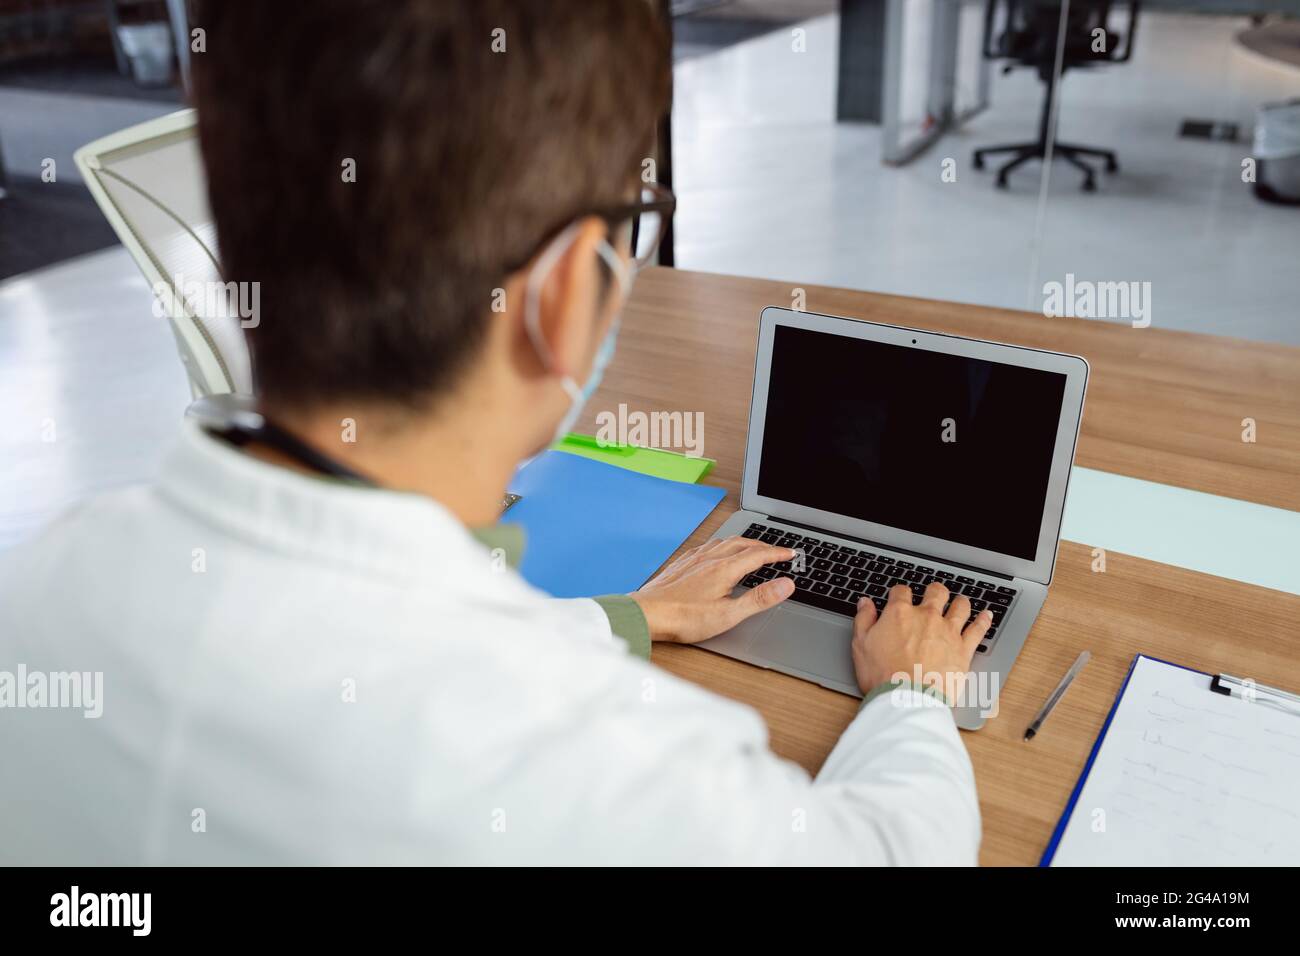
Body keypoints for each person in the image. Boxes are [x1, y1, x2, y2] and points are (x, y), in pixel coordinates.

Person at [0, 0, 989, 864]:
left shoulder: (40, 586)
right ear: (569, 293)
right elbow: (897, 848)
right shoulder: (621, 774)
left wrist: (625, 617)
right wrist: (911, 696)